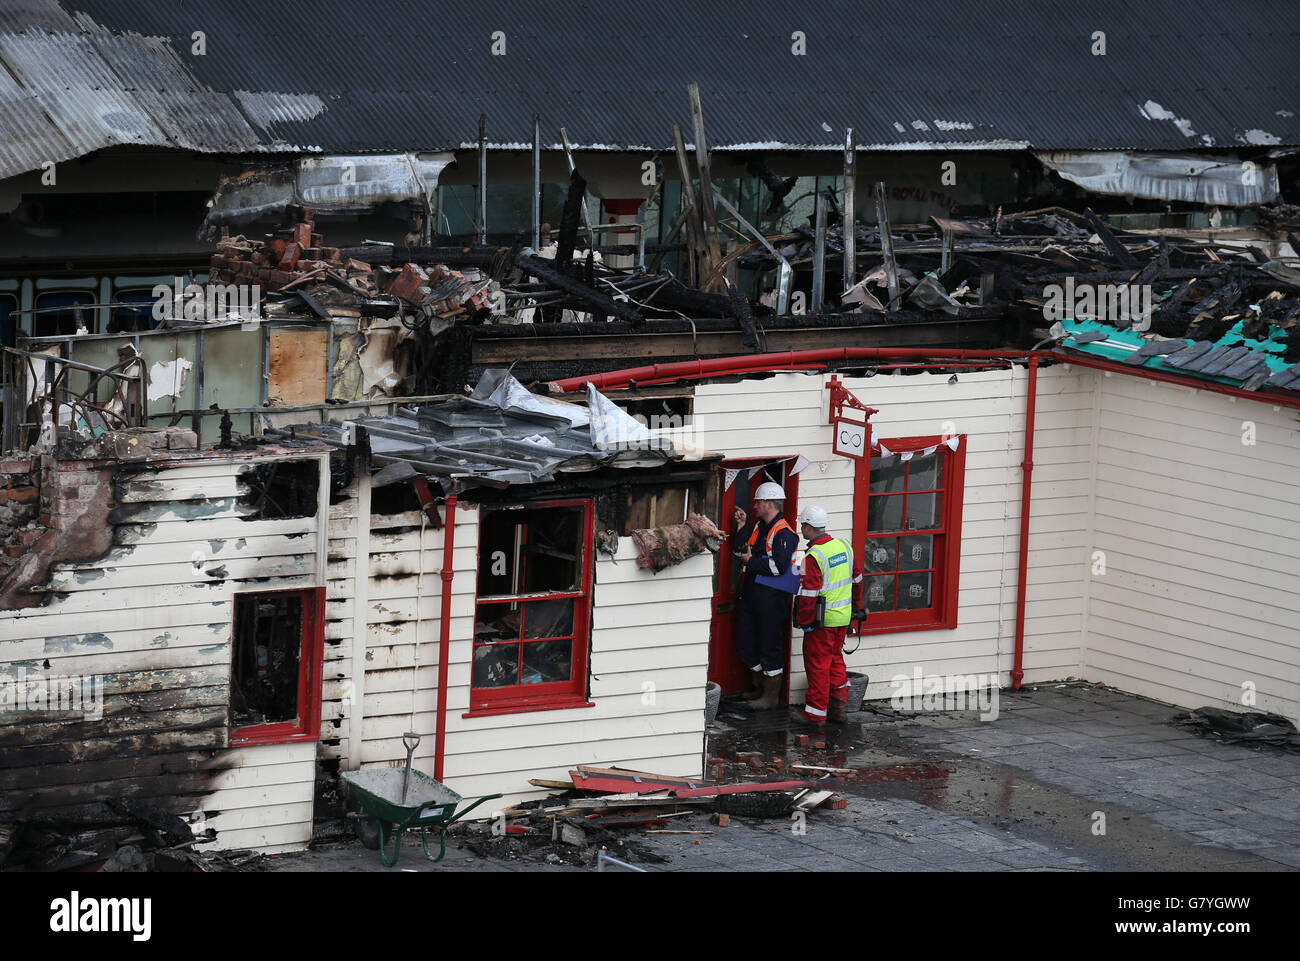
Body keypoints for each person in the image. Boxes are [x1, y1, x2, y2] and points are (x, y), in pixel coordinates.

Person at [791, 505, 865, 726]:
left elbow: (809, 595)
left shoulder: (813, 556)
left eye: (802, 525)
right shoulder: (844, 547)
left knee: (818, 666)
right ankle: (839, 708)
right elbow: (858, 581)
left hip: (822, 622)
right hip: (843, 619)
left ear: (807, 526)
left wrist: (804, 622)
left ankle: (815, 715)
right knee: (835, 662)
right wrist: (855, 609)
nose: (801, 529)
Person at [731, 481, 799, 709]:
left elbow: (779, 567)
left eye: (758, 502)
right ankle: (758, 685)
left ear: (770, 504)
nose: (754, 506)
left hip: (772, 597)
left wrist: (752, 562)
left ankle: (770, 696)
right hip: (753, 593)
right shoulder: (759, 527)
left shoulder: (785, 534)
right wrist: (741, 527)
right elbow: (741, 551)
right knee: (746, 639)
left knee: (770, 644)